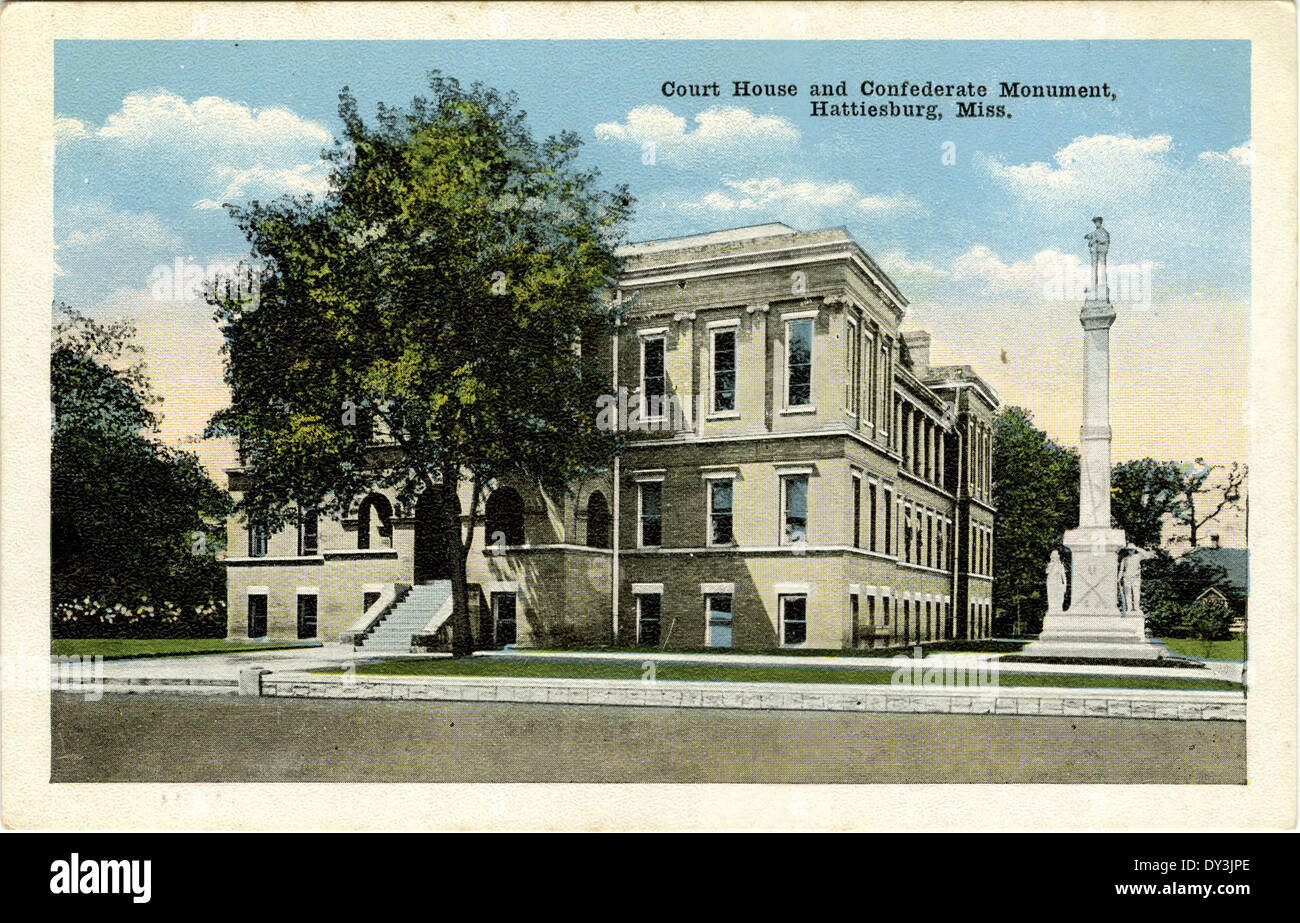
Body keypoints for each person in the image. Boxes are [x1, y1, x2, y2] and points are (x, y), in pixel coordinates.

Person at [1046, 549, 1067, 614]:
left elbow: (1064, 577)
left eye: (1057, 555)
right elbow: (1047, 572)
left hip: (1058, 585)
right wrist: (1052, 564)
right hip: (1051, 585)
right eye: (1054, 555)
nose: (1056, 557)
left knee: (1059, 601)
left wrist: (1064, 586)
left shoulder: (1060, 566)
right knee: (1051, 600)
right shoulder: (1050, 565)